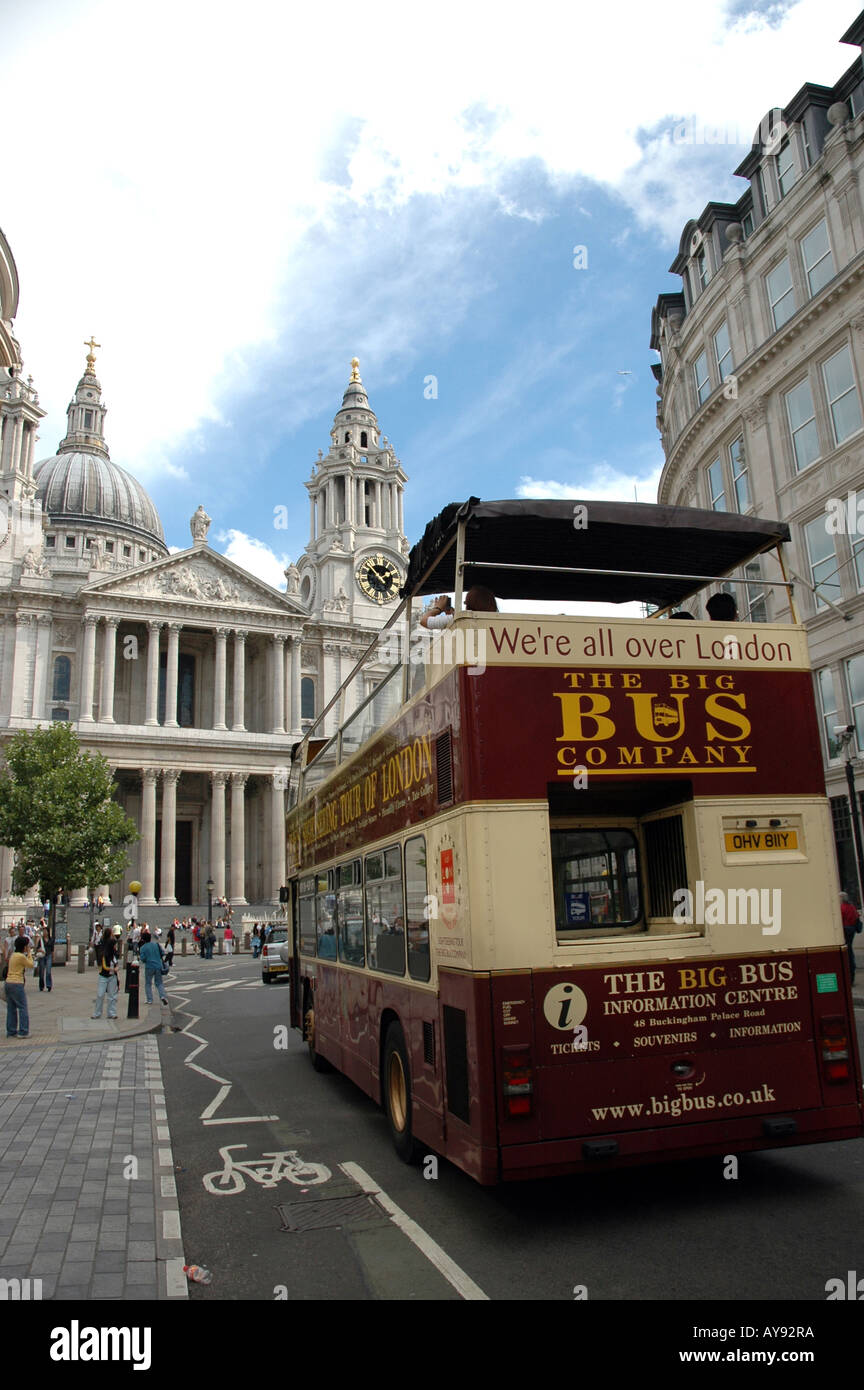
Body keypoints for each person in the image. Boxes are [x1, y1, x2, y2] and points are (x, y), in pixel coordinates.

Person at [420, 585, 498, 629]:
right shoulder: (497, 620)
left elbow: (424, 621)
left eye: (466, 603)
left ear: (470, 605)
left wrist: (438, 608)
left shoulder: (460, 619)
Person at [5, 934, 33, 1037]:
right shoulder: (21, 956)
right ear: (24, 947)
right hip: (17, 983)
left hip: (8, 982)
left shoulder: (13, 955)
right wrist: (29, 953)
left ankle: (11, 1031)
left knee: (11, 1008)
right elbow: (30, 964)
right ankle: (23, 1031)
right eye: (27, 946)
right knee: (22, 1007)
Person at [92, 926, 119, 1021]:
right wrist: (114, 969)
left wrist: (115, 968)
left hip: (112, 976)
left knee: (112, 995)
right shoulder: (104, 954)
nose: (115, 947)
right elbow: (104, 966)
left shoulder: (113, 953)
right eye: (114, 946)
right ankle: (97, 1013)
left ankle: (111, 1013)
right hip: (104, 975)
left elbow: (116, 961)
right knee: (100, 994)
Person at [139, 931, 169, 1006]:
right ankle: (162, 996)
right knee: (159, 983)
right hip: (158, 966)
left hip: (149, 966)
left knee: (148, 983)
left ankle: (149, 999)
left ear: (143, 940)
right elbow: (162, 953)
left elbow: (143, 959)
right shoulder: (156, 945)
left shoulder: (143, 948)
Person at [840, 891, 861, 984]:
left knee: (847, 953)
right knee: (850, 951)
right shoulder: (852, 907)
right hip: (852, 930)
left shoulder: (841, 908)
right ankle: (852, 976)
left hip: (845, 930)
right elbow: (856, 917)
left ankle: (849, 977)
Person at [38, 917, 54, 992]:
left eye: (45, 931)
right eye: (43, 931)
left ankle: (49, 985)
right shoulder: (41, 940)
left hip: (49, 955)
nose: (44, 933)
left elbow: (52, 949)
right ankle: (41, 985)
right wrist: (41, 950)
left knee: (48, 971)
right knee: (41, 972)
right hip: (42, 956)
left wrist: (52, 957)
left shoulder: (51, 940)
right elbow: (37, 948)